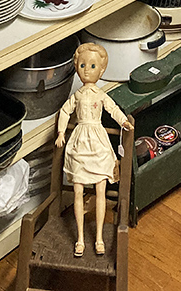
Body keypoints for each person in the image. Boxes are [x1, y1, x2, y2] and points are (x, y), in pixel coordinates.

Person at [56, 42, 133, 257]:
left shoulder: (101, 95)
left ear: (101, 70)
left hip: (98, 141)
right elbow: (64, 111)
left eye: (92, 66)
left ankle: (98, 237)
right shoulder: (77, 96)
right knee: (78, 190)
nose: (86, 70)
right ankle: (80, 238)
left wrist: (124, 122)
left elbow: (113, 108)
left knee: (101, 190)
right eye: (82, 65)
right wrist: (62, 133)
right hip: (80, 141)